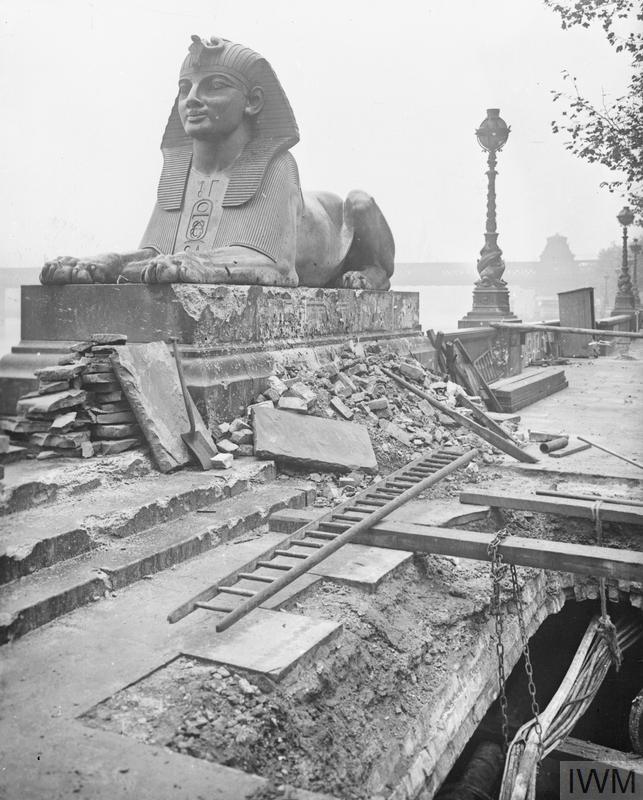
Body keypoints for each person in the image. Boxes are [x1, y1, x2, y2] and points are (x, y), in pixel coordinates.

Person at [40, 35, 395, 290]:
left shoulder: (276, 166)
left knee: (359, 201)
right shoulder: (182, 170)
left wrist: (196, 264)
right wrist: (107, 264)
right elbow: (158, 254)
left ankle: (375, 271)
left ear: (253, 102)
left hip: (336, 242)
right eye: (185, 88)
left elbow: (278, 267)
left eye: (214, 86)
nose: (193, 100)